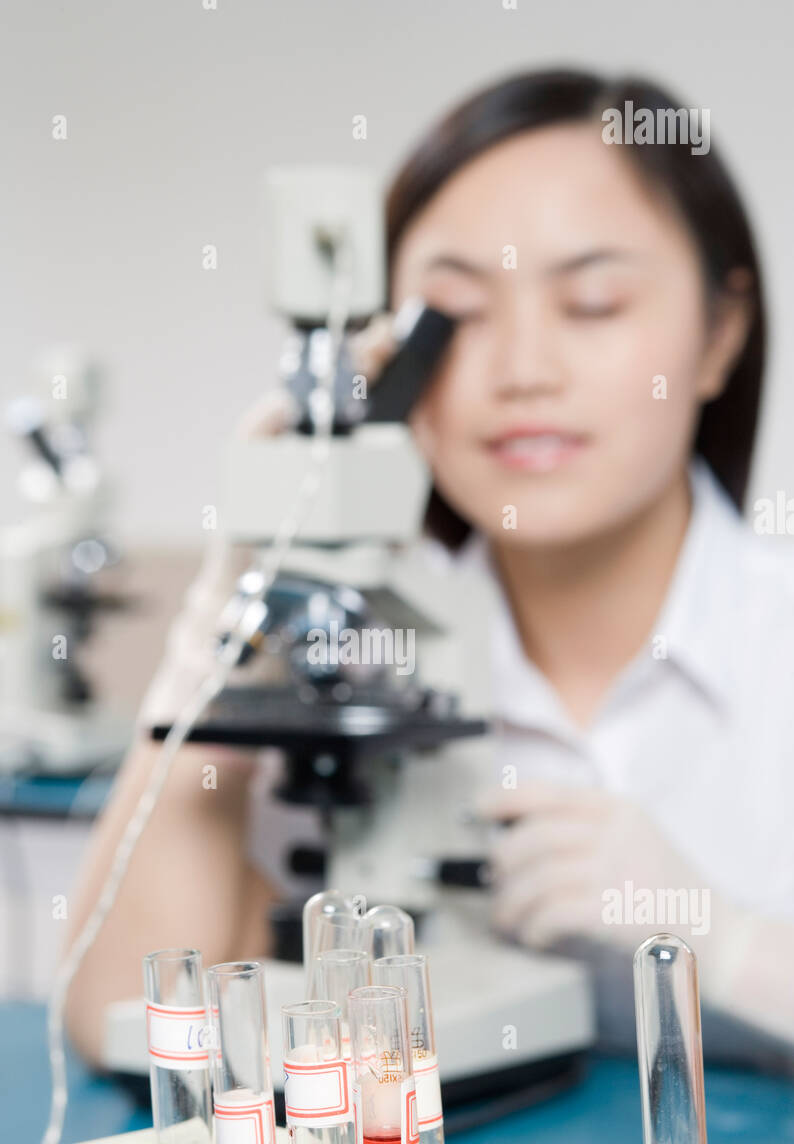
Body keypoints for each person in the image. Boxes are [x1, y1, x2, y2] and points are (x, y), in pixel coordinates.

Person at [64, 68, 794, 1071]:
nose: (523, 368)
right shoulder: (365, 647)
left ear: (717, 334)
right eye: (455, 314)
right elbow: (119, 1012)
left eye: (590, 302)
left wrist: (737, 946)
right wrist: (227, 620)